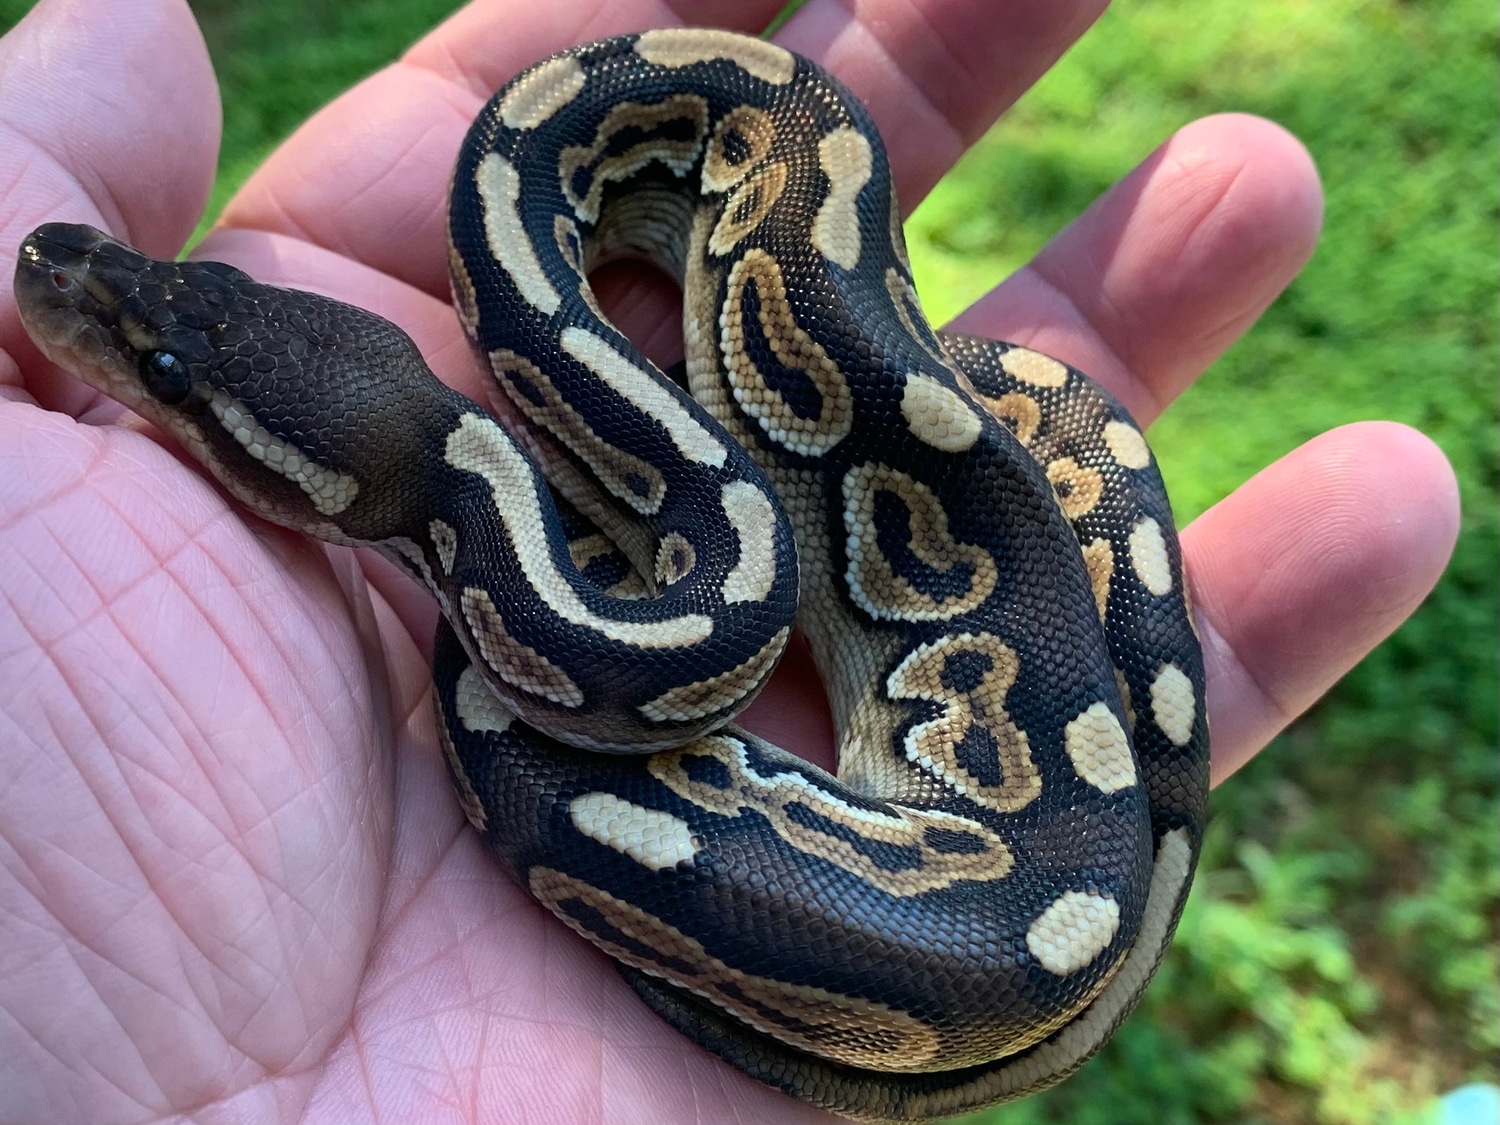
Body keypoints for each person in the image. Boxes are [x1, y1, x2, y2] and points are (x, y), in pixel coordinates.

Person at [0, 0, 1459, 1121]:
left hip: (995, 866)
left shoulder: (566, 572)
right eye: (171, 362)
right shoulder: (604, 576)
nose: (132, 357)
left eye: (168, 369)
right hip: (973, 857)